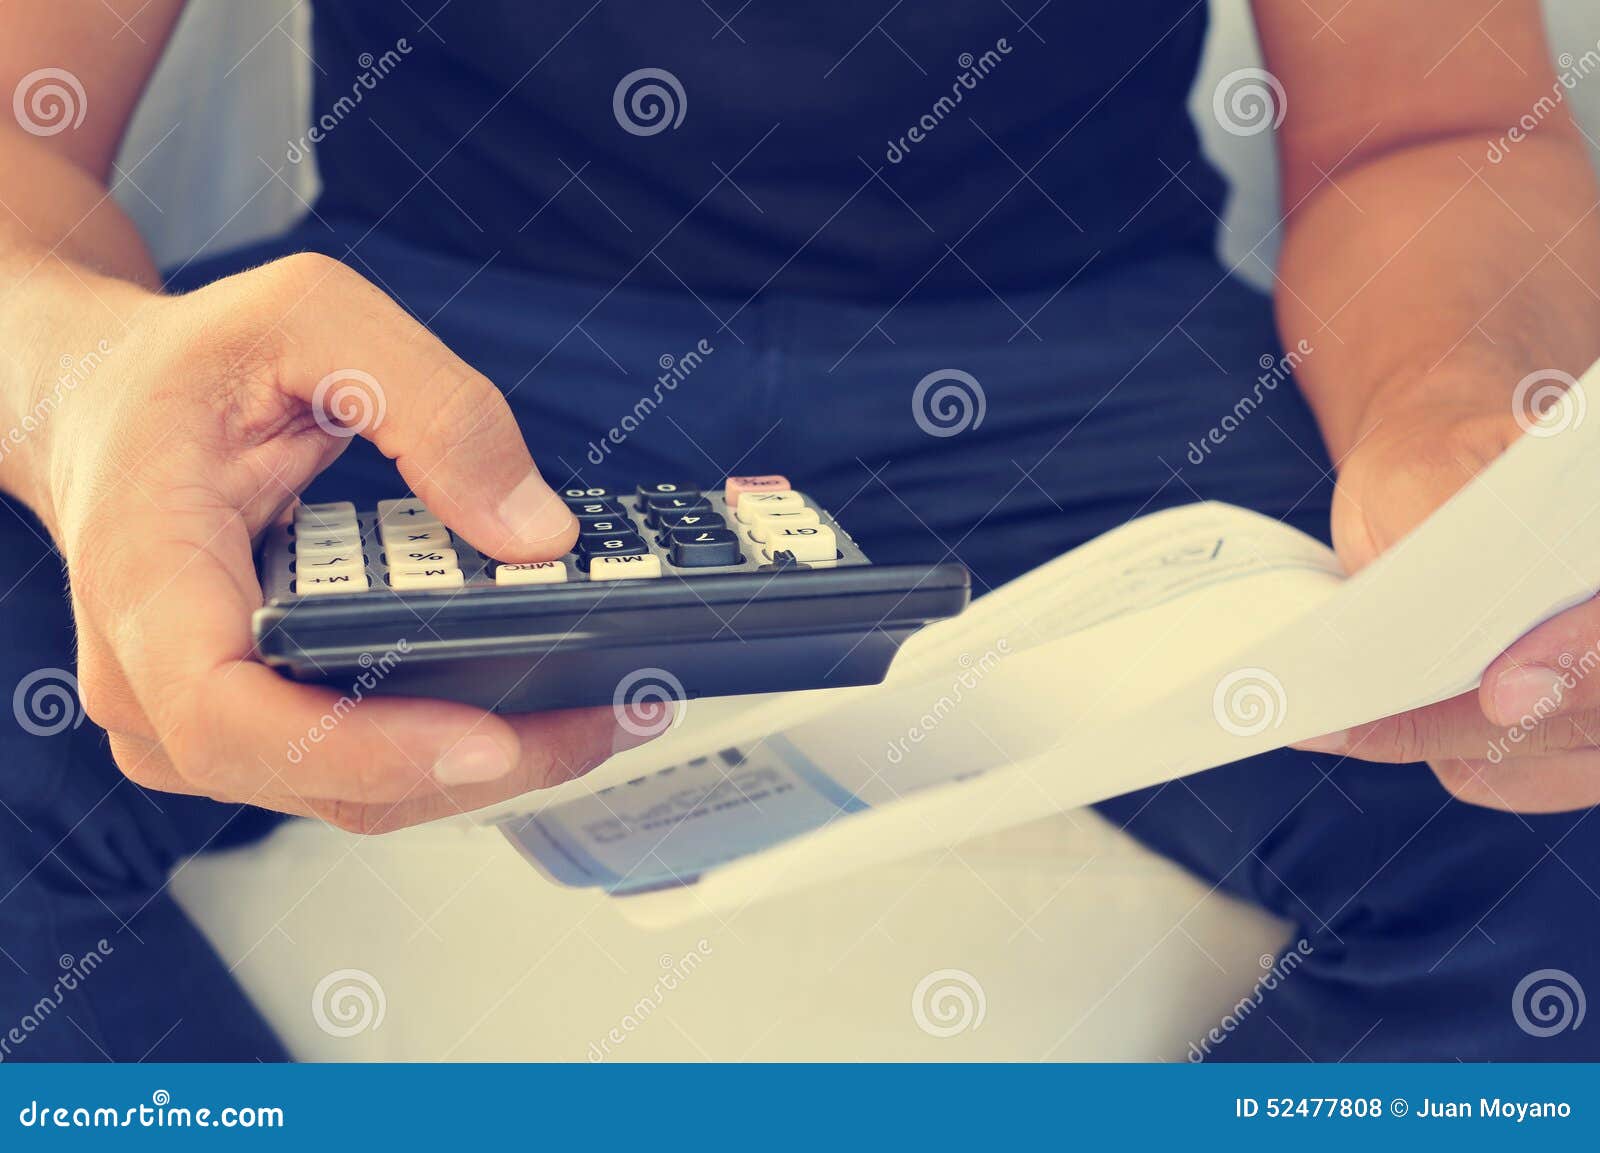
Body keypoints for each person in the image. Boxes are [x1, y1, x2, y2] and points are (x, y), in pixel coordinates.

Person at [1, 0, 1597, 1061]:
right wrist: (82, 386)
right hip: (411, 351)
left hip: (1090, 353)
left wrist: (1459, 415)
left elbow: (1433, 121)